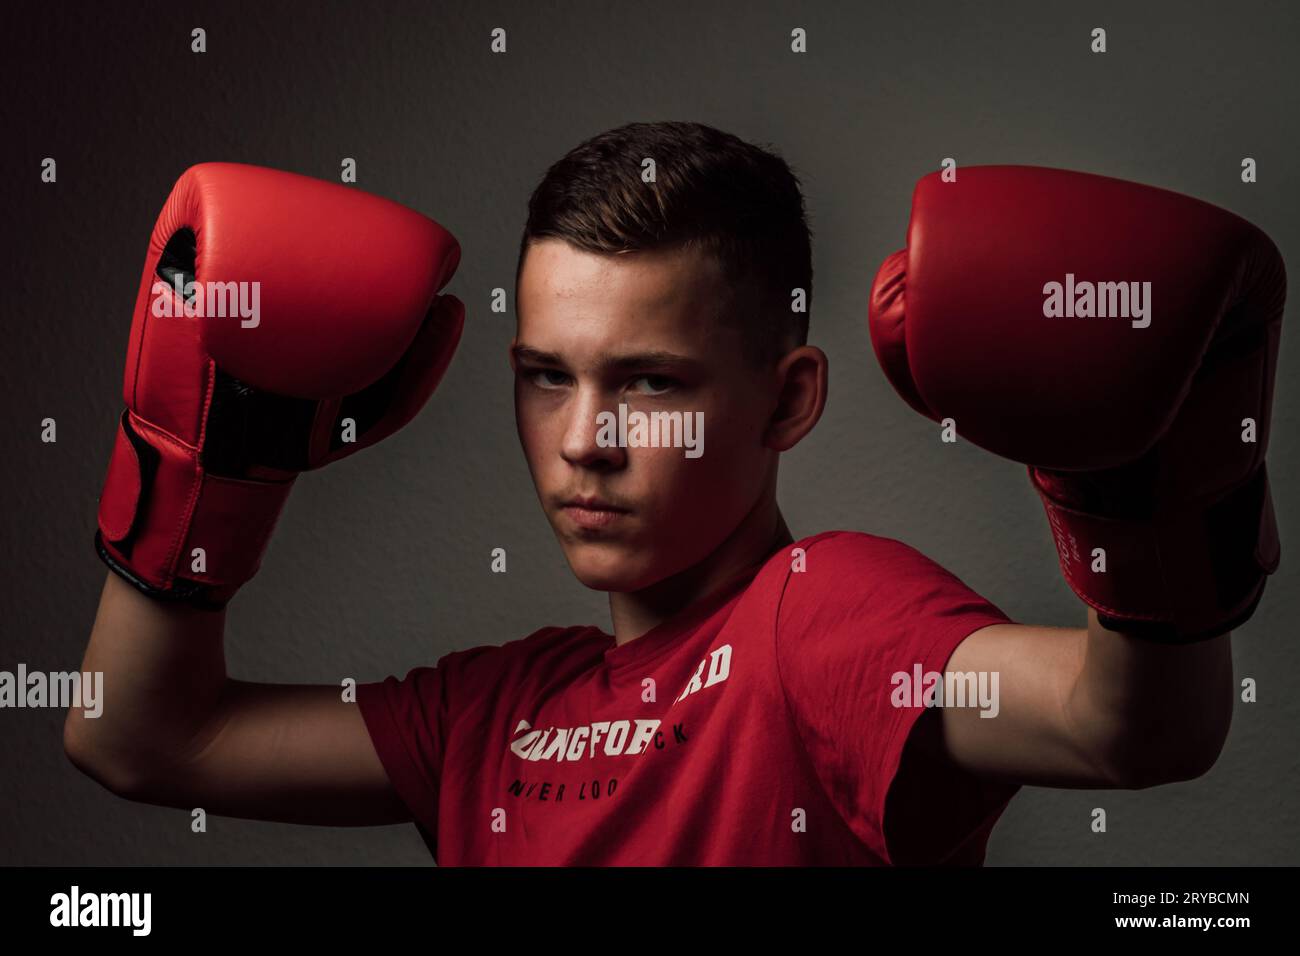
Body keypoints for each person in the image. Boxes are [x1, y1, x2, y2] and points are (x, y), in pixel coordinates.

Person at [64, 122, 1284, 865]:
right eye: (546, 376)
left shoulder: (821, 618)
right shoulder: (491, 712)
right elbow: (137, 736)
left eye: (648, 382)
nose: (583, 440)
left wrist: (1132, 490)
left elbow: (1128, 724)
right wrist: (205, 472)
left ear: (788, 401)